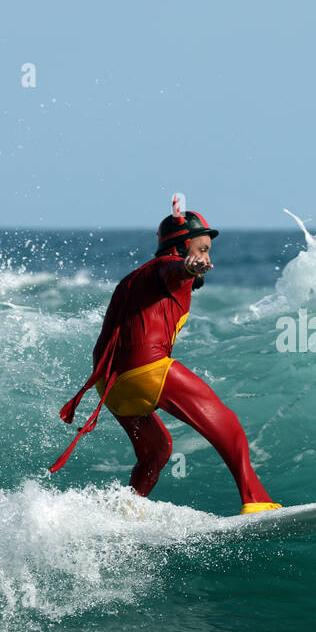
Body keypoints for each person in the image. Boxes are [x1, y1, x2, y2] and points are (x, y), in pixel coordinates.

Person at [49, 197, 281, 514]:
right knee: (228, 426)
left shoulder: (134, 277)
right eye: (202, 250)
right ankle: (257, 502)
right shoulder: (166, 268)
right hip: (145, 370)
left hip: (110, 387)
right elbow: (175, 271)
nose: (206, 258)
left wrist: (186, 265)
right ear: (183, 246)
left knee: (157, 450)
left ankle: (127, 512)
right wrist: (188, 266)